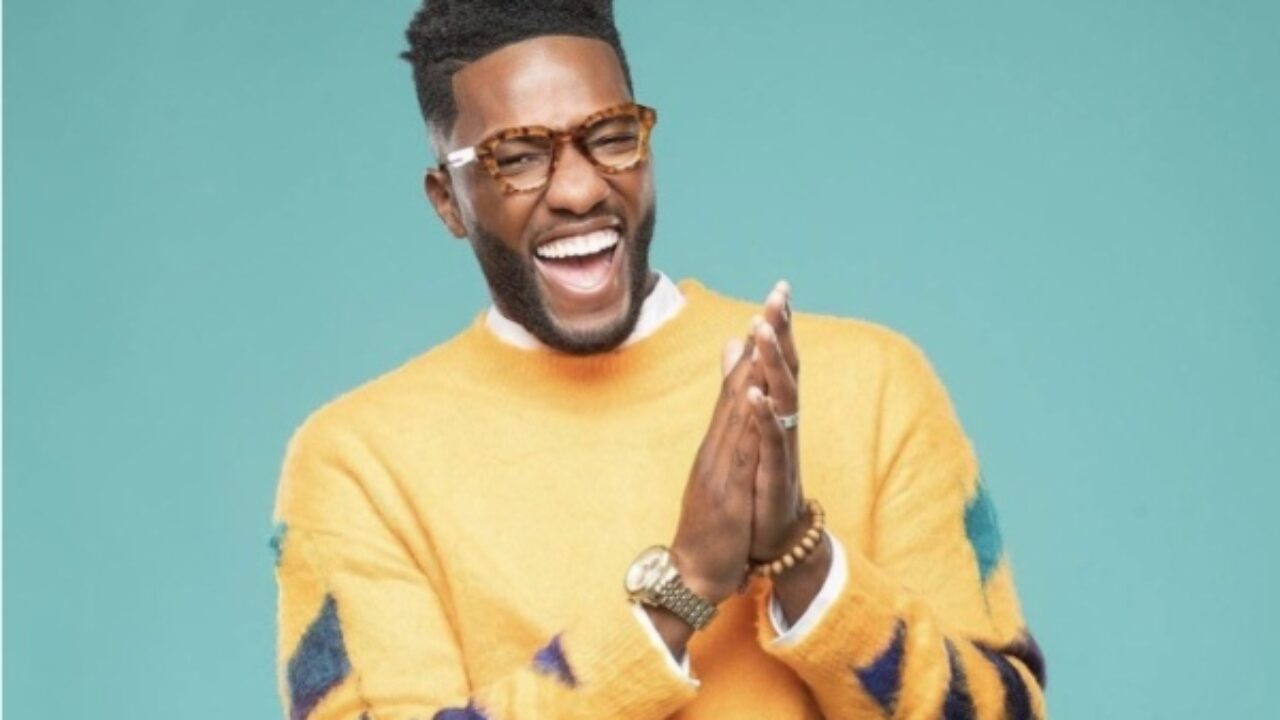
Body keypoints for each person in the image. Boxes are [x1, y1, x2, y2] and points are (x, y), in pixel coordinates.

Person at [270, 1, 1048, 718]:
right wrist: (680, 591)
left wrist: (801, 560)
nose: (579, 189)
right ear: (449, 200)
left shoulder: (873, 383)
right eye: (519, 157)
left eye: (611, 137)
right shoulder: (357, 463)